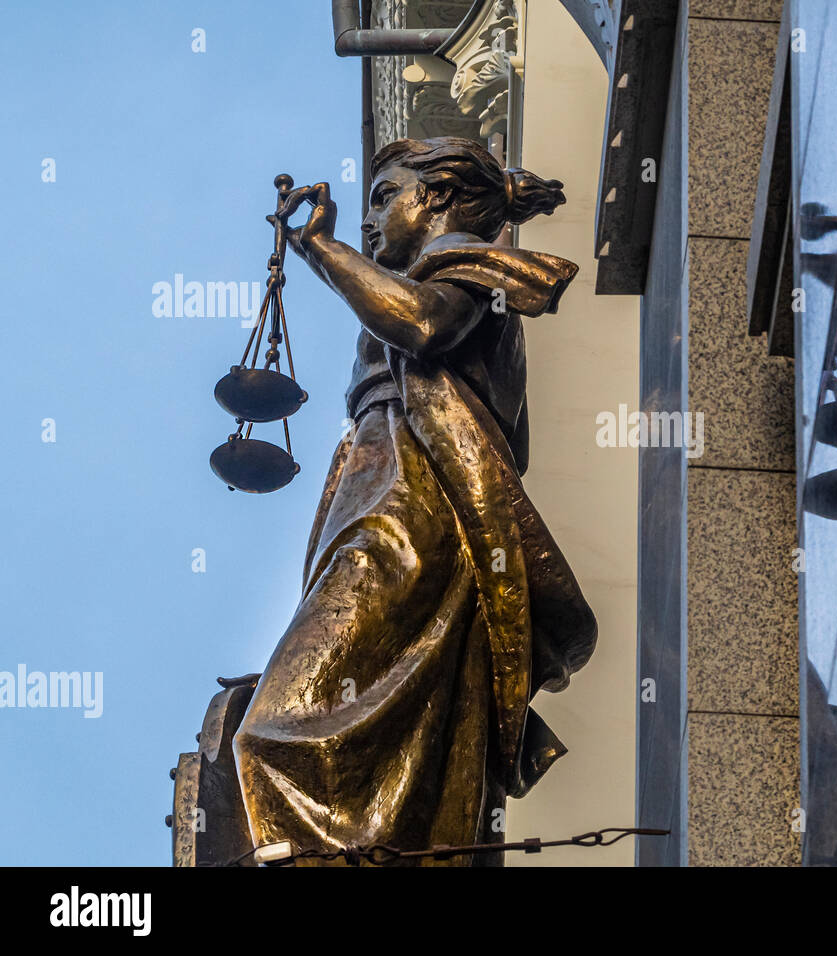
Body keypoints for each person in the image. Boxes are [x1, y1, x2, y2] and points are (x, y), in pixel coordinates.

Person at [231, 136, 597, 865]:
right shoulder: (441, 275)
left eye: (382, 196)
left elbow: (421, 324)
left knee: (278, 726)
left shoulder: (472, 264)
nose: (368, 221)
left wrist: (323, 252)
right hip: (384, 491)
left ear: (436, 198)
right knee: (404, 725)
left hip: (410, 513)